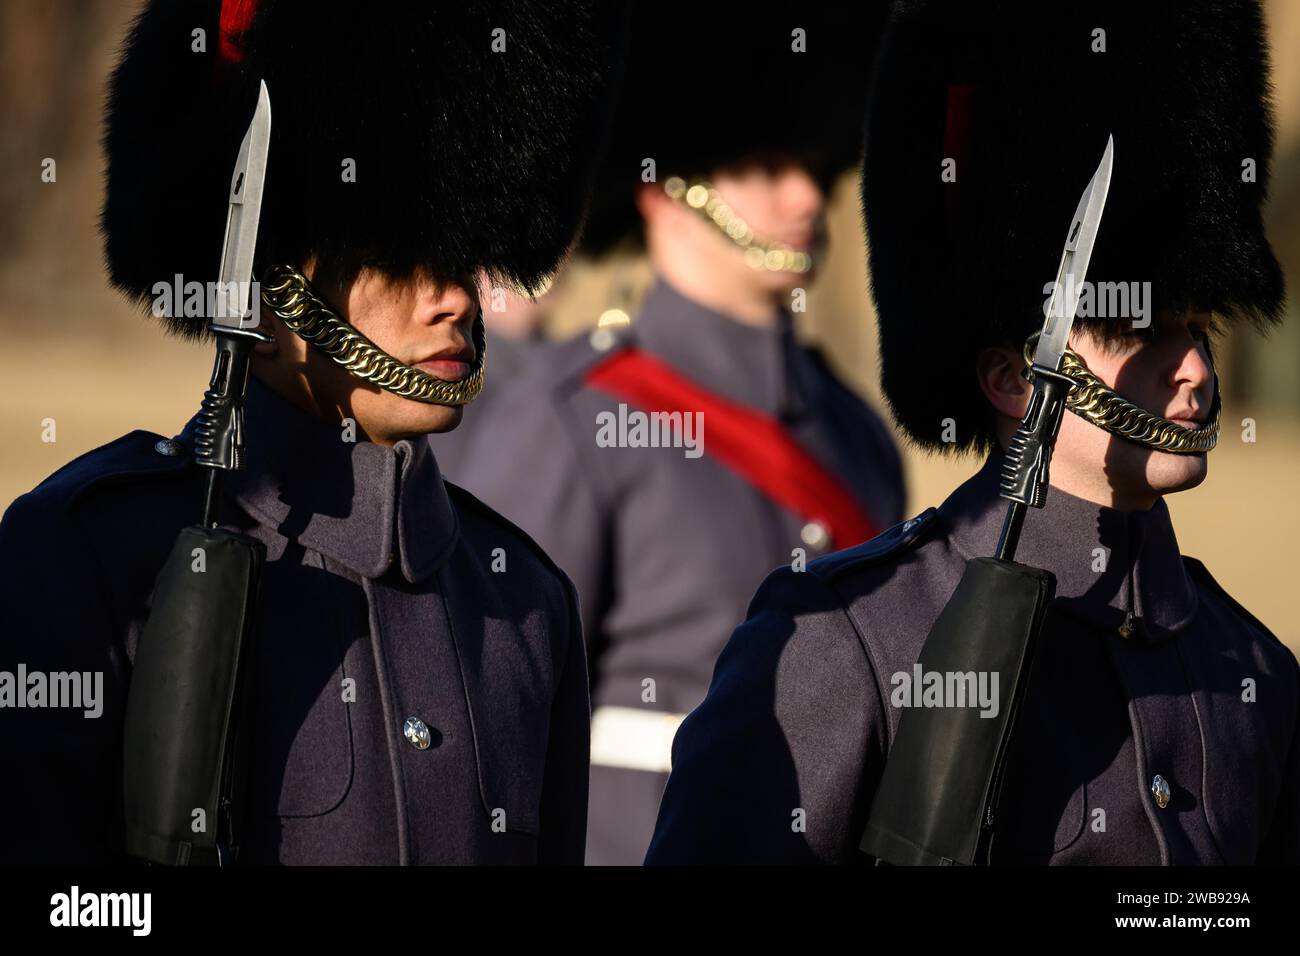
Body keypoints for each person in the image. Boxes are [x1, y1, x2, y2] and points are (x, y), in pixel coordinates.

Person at [647, 0, 1299, 865]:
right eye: (1141, 335)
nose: (1194, 372)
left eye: (1200, 331)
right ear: (1011, 378)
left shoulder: (1252, 663)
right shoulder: (849, 637)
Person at [0, 0, 620, 864]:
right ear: (266, 281)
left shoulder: (525, 602)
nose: (454, 300)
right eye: (400, 254)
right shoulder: (90, 555)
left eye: (465, 254)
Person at [459, 4, 903, 865]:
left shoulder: (857, 436)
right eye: (765, 166)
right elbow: (497, 717)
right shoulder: (574, 419)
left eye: (813, 164)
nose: (807, 196)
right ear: (667, 187)